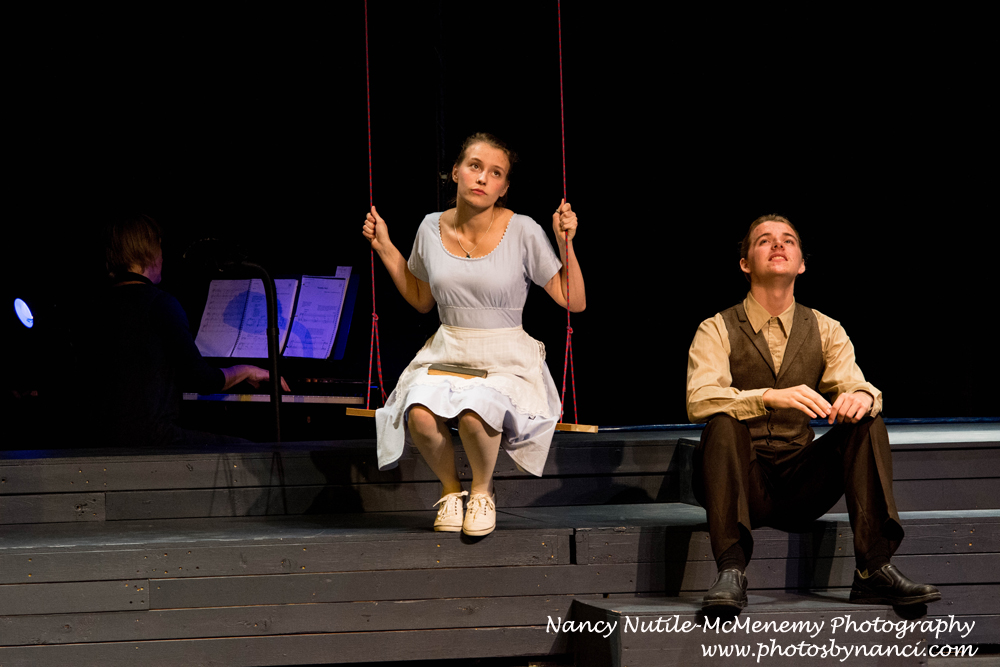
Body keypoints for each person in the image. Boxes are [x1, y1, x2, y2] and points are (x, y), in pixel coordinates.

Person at [686, 214, 940, 610]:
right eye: (764, 240)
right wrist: (768, 396)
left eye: (788, 240)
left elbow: (856, 383)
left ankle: (873, 569)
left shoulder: (825, 328)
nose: (778, 245)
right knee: (721, 424)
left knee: (867, 420)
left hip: (800, 482)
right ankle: (731, 572)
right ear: (745, 264)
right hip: (740, 479)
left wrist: (862, 396)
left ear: (801, 263)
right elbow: (700, 398)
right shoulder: (716, 328)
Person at [362, 133, 585, 536]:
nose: (482, 178)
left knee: (474, 410)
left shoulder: (523, 230)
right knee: (419, 412)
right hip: (449, 348)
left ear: (504, 187)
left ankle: (482, 493)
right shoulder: (430, 228)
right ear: (456, 172)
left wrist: (564, 242)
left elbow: (574, 300)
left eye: (495, 173)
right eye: (475, 166)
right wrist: (386, 248)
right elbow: (421, 299)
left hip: (505, 355)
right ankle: (451, 491)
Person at [94, 214, 288, 448]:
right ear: (148, 252)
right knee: (255, 454)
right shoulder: (160, 304)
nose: (163, 256)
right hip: (152, 440)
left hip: (100, 439)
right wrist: (245, 370)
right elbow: (203, 380)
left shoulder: (96, 307)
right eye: (159, 247)